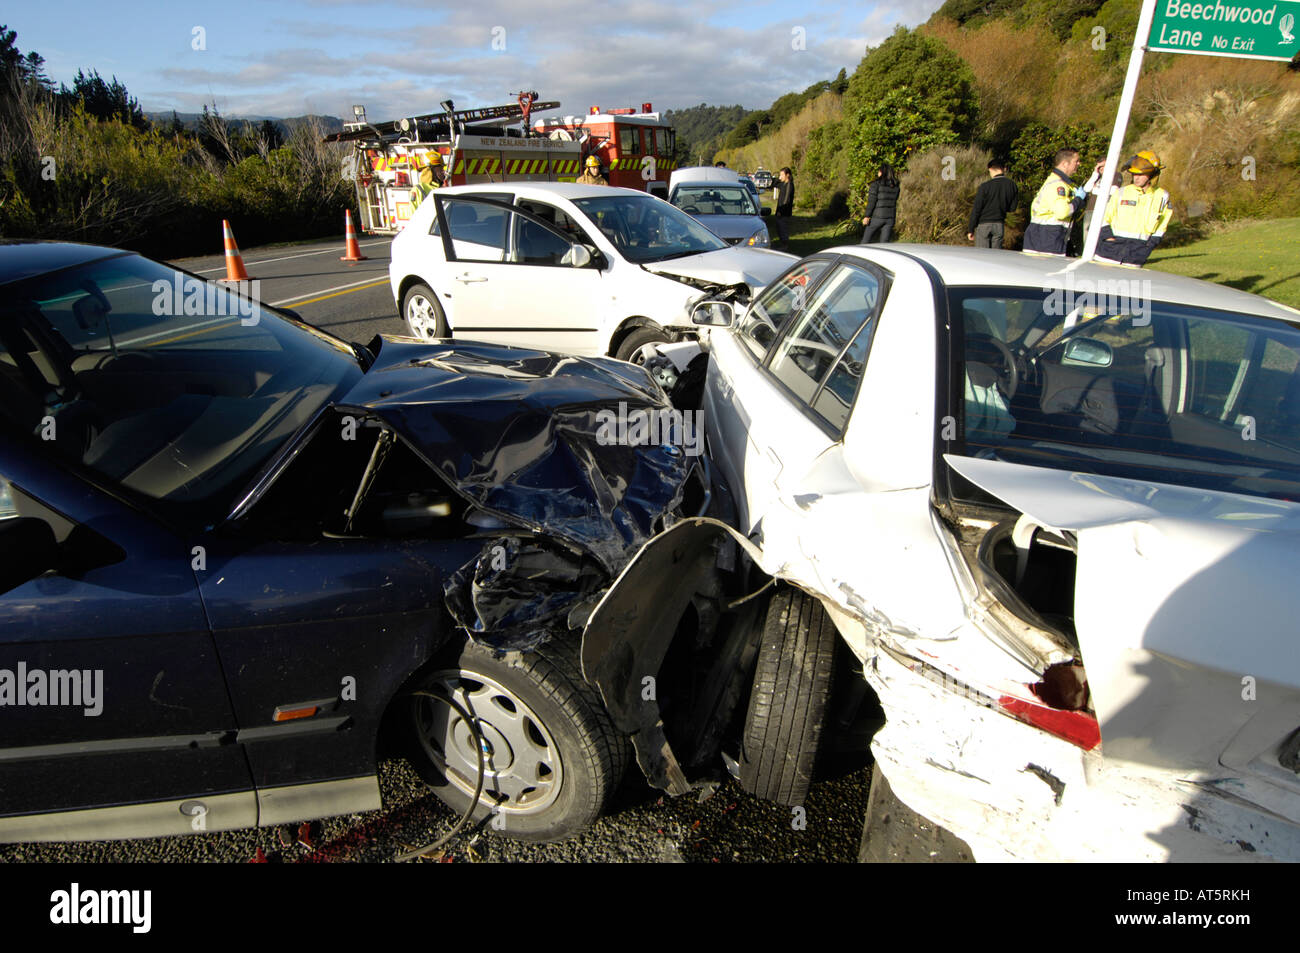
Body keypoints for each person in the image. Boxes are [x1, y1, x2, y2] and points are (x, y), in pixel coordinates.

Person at [1096, 151, 1172, 267]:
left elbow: (1162, 226)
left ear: (1152, 174)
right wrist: (1108, 238)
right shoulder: (1121, 192)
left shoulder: (1162, 196)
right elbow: (1103, 217)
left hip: (1135, 257)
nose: (1136, 178)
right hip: (1108, 252)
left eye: (1140, 174)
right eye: (1134, 174)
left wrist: (1149, 246)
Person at [1023, 149, 1102, 256]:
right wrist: (1078, 199)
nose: (1079, 164)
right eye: (1076, 161)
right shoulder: (1057, 185)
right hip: (1046, 238)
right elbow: (1063, 212)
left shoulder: (1064, 184)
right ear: (1065, 164)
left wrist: (1094, 177)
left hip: (1050, 236)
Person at [967, 159, 1018, 249]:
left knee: (982, 256)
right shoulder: (1012, 185)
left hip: (983, 224)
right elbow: (1012, 208)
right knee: (995, 257)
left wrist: (971, 229)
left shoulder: (985, 186)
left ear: (990, 169)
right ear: (1004, 169)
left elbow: (977, 209)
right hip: (999, 225)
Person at [860, 165, 899, 244]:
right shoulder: (896, 186)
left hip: (877, 217)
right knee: (884, 244)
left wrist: (867, 216)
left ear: (881, 172)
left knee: (865, 241)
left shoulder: (876, 184)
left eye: (879, 171)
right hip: (890, 218)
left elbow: (871, 201)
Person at [773, 167, 795, 249]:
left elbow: (786, 200)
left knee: (783, 229)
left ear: (787, 175)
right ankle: (782, 244)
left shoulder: (789, 185)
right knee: (779, 228)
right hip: (780, 211)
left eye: (782, 174)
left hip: (784, 212)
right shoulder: (783, 184)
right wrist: (778, 178)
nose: (780, 176)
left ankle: (785, 245)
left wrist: (781, 211)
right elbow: (774, 184)